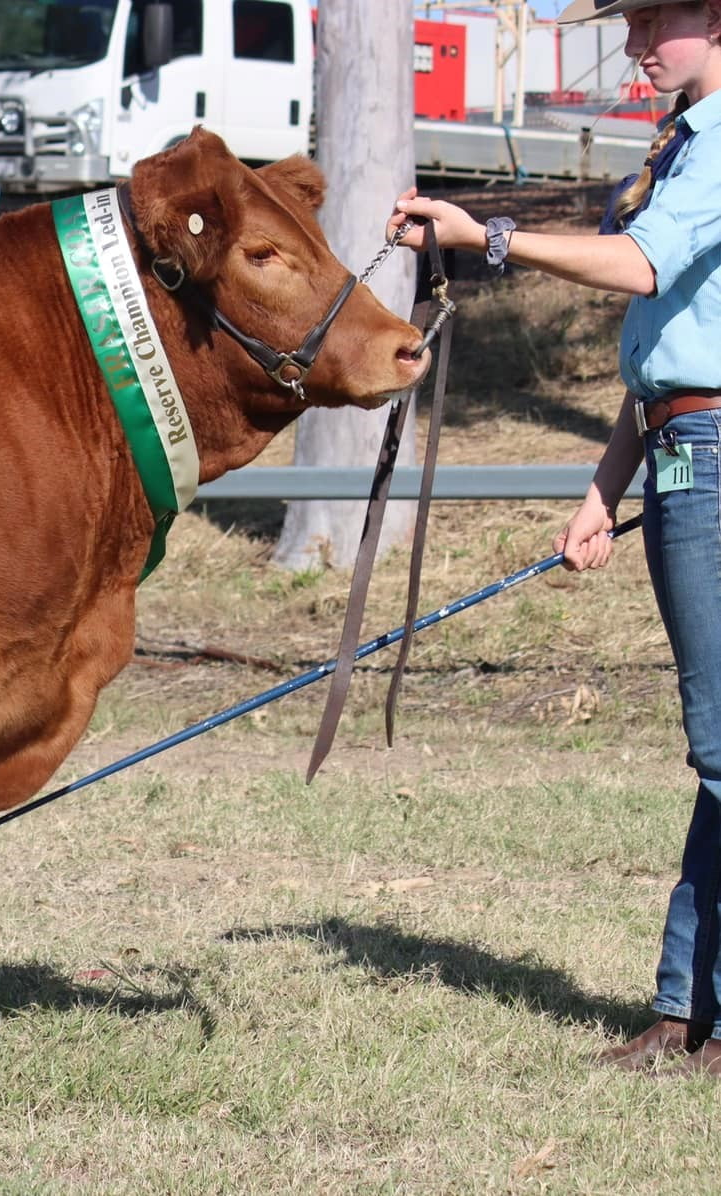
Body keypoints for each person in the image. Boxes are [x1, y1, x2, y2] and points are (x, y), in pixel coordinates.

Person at [393, 0, 721, 1074]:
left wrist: (482, 235)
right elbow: (666, 350)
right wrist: (602, 487)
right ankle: (682, 1017)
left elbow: (636, 270)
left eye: (649, 20)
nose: (631, 43)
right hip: (680, 452)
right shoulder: (684, 141)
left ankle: (690, 1016)